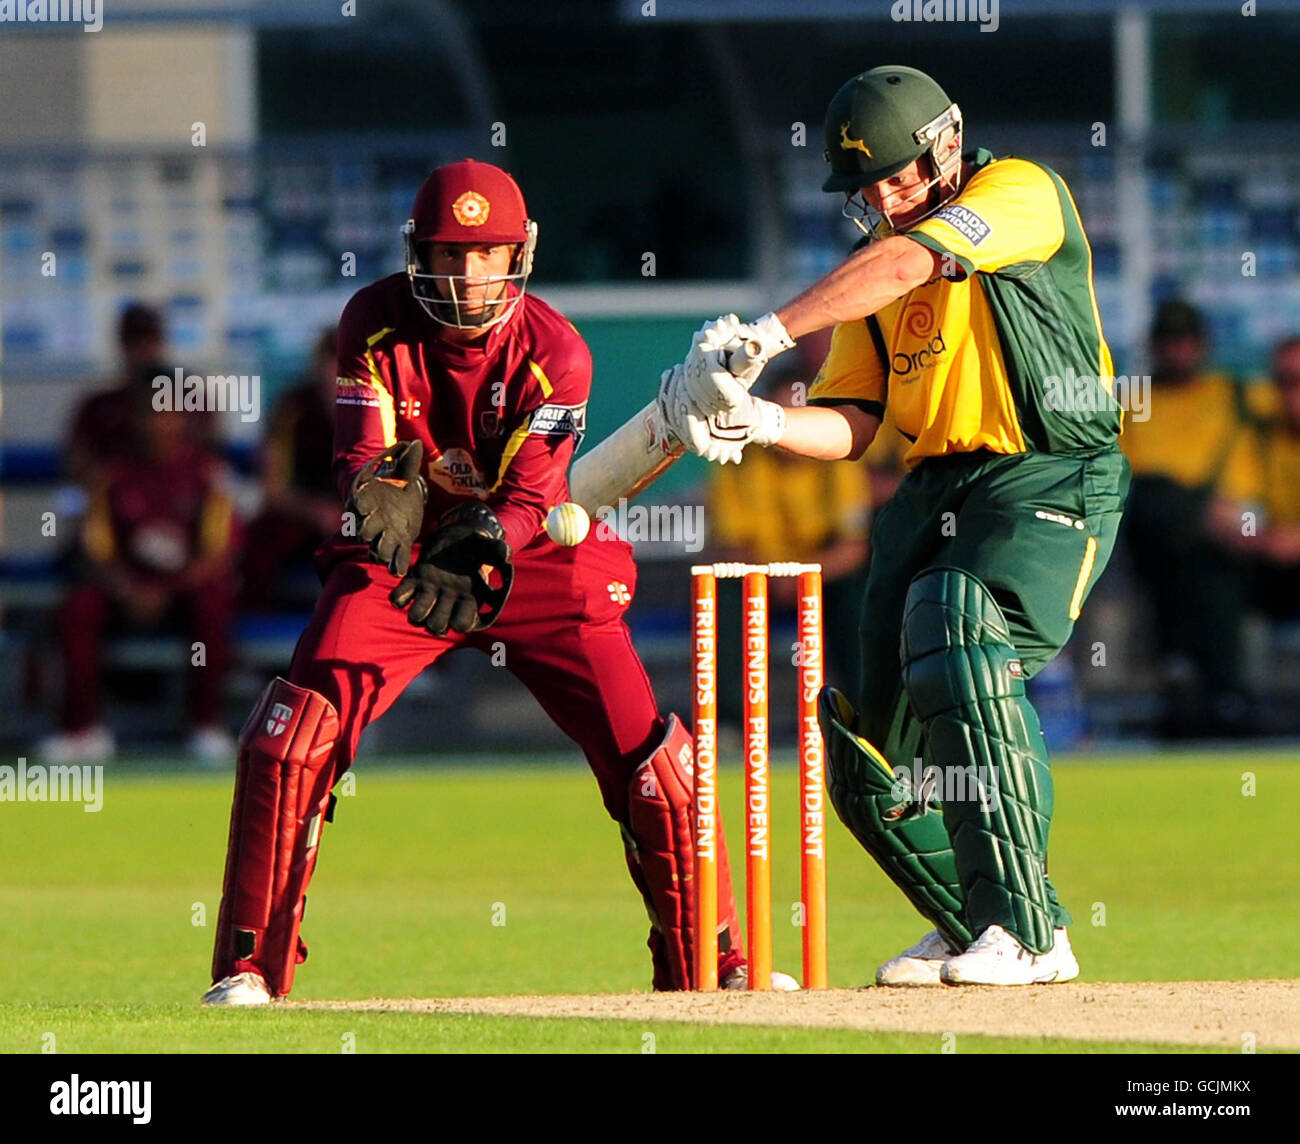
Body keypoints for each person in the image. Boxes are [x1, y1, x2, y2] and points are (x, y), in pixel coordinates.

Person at [201, 160, 785, 1005]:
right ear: (416, 252)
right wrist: (375, 501)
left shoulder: (557, 352)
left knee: (659, 766)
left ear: (521, 255)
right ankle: (250, 967)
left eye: (487, 255)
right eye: (449, 253)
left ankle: (716, 962)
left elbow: (530, 500)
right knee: (294, 736)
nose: (468, 278)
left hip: (531, 554)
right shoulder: (372, 321)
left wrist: (479, 539)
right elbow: (358, 460)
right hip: (402, 561)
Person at [659, 65, 1129, 986]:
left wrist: (763, 335)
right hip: (930, 491)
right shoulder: (876, 270)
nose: (887, 198)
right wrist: (760, 423)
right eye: (869, 188)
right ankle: (972, 922)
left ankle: (1025, 929)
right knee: (868, 755)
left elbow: (914, 261)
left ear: (948, 143)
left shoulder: (1022, 193)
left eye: (903, 177)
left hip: (1049, 469)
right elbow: (856, 425)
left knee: (960, 626)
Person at [40, 381, 240, 763]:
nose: (160, 424)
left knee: (213, 605)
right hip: (123, 590)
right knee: (78, 609)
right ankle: (82, 729)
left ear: (183, 418)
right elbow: (94, 548)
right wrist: (128, 589)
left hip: (183, 589)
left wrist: (168, 589)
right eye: (151, 414)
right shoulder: (111, 473)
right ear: (136, 419)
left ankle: (206, 725)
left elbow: (219, 552)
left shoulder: (208, 473)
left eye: (169, 414)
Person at [1121, 301, 1266, 737]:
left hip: (1239, 526)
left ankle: (1185, 674)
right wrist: (1202, 513)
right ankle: (1224, 695)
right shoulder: (1136, 399)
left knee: (1204, 560)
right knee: (1171, 518)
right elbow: (1128, 480)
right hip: (1162, 532)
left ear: (1201, 345)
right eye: (1168, 342)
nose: (1176, 351)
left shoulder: (1236, 393)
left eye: (1184, 341)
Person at [238, 328, 341, 611]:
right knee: (257, 542)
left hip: (358, 516)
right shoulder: (291, 408)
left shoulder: (378, 408)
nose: (334, 373)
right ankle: (254, 630)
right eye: (329, 361)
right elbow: (272, 488)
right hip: (300, 513)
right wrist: (315, 511)